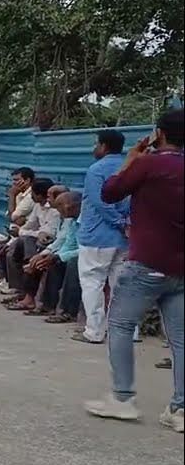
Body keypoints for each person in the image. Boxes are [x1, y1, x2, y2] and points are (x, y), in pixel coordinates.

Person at [85, 109, 184, 433]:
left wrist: (131, 158)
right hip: (180, 268)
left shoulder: (148, 164)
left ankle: (123, 398)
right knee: (181, 338)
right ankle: (180, 409)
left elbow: (110, 192)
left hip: (147, 263)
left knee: (120, 324)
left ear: (159, 133)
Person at [72, 130, 132, 343]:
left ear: (104, 146)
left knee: (92, 283)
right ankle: (127, 332)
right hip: (123, 238)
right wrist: (126, 224)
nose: (93, 148)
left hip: (97, 236)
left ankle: (95, 331)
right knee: (121, 285)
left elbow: (100, 202)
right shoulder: (130, 166)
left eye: (95, 143)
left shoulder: (96, 170)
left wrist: (119, 222)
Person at [5, 179, 58, 311]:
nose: (31, 196)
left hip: (49, 244)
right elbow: (30, 225)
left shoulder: (55, 211)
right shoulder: (37, 206)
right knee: (16, 248)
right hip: (36, 242)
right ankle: (22, 290)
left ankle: (29, 297)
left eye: (33, 193)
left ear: (40, 195)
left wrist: (23, 232)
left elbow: (49, 233)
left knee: (27, 244)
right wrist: (19, 230)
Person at [25, 191, 81, 317]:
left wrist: (58, 256)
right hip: (69, 252)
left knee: (72, 264)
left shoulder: (85, 221)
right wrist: (50, 256)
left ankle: (68, 312)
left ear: (70, 206)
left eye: (60, 207)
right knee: (51, 263)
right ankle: (47, 305)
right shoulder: (71, 221)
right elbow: (66, 243)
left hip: (89, 255)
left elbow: (86, 249)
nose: (58, 211)